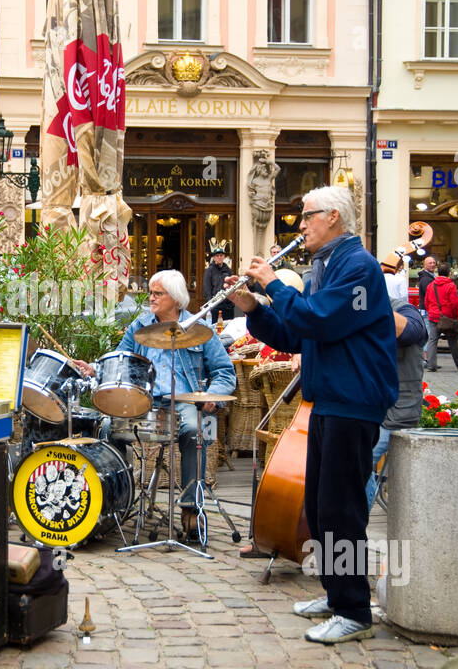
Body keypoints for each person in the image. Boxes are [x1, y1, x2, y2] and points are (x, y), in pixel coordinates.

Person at [226, 185, 397, 645]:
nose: (300, 226)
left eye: (307, 217)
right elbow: (298, 334)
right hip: (327, 400)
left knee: (342, 510)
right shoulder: (327, 265)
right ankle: (336, 592)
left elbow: (318, 319)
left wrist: (274, 283)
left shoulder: (357, 267)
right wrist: (252, 308)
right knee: (319, 506)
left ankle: (355, 610)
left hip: (353, 400)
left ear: (334, 219)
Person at [81, 269, 236, 538]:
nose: (150, 298)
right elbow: (120, 358)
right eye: (151, 292)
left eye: (157, 293)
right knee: (107, 427)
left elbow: (225, 372)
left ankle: (190, 508)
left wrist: (213, 397)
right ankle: (118, 502)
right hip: (145, 402)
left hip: (184, 402)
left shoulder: (200, 328)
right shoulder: (140, 326)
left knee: (193, 429)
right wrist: (96, 369)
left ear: (175, 299)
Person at [365, 295, 426, 510]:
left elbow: (412, 332)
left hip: (397, 414)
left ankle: (356, 522)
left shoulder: (405, 309)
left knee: (360, 461)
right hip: (369, 411)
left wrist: (370, 308)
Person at [423, 263, 458, 372]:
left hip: (433, 316)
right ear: (449, 273)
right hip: (447, 316)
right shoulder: (450, 285)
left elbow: (426, 301)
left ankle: (431, 364)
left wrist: (431, 311)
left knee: (432, 340)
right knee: (453, 340)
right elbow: (454, 304)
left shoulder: (431, 285)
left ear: (438, 272)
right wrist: (453, 316)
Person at [416, 256, 437, 368]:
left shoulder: (429, 276)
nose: (432, 264)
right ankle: (426, 359)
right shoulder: (426, 279)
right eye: (430, 263)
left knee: (429, 334)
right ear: (425, 265)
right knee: (429, 335)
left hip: (426, 309)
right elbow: (430, 296)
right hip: (427, 310)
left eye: (434, 262)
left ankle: (428, 359)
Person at [202, 246, 233, 324]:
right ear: (214, 258)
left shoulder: (228, 270)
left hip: (228, 305)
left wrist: (232, 303)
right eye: (217, 256)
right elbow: (207, 288)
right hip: (216, 305)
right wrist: (210, 304)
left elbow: (231, 285)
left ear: (224, 257)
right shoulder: (209, 270)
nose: (219, 257)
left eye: (221, 255)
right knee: (216, 327)